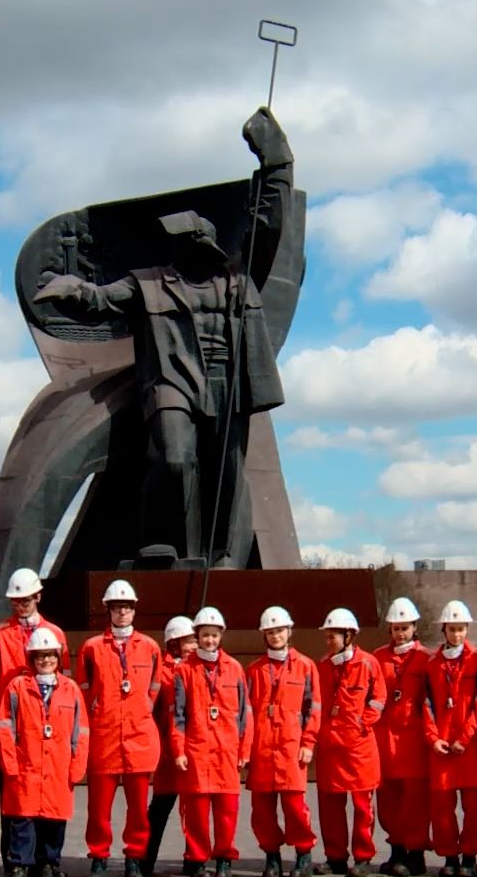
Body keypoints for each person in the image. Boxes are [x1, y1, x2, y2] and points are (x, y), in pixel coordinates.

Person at [32, 108, 293, 566]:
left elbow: (269, 223)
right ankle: (163, 545)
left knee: (225, 476)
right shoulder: (148, 282)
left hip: (227, 383)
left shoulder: (236, 280)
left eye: (181, 240)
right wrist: (68, 288)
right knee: (174, 459)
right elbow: (100, 299)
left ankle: (213, 556)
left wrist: (276, 163)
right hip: (173, 382)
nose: (172, 246)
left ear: (200, 243)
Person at [74, 579, 168, 877]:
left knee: (138, 809)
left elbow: (154, 687)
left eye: (127, 607)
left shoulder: (151, 648)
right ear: (109, 611)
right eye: (117, 607)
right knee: (98, 809)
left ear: (134, 610)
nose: (122, 612)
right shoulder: (92, 648)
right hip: (104, 738)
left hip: (139, 739)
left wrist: (139, 709)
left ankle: (133, 862)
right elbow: (84, 691)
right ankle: (99, 860)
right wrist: (101, 710)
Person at [0, 567, 70, 867]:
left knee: (48, 795)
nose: (21, 605)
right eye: (16, 601)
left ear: (38, 597)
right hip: (13, 723)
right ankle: (15, 863)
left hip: (45, 721)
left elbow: (64, 681)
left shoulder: (55, 634)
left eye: (26, 600)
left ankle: (45, 862)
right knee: (13, 796)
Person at [0, 627, 90, 877]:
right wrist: (10, 764)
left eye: (50, 656)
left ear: (58, 658)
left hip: (58, 766)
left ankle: (48, 865)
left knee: (54, 820)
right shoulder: (17, 687)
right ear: (31, 659)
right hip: (26, 767)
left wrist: (76, 765)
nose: (46, 661)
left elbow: (80, 731)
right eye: (40, 656)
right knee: (22, 821)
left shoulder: (70, 690)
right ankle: (18, 869)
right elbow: (5, 728)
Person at [169, 607, 252, 877]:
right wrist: (179, 750)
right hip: (197, 750)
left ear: (221, 636)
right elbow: (178, 715)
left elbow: (244, 714)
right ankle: (197, 861)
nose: (209, 641)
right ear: (197, 636)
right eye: (204, 635)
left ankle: (224, 860)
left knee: (227, 811)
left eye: (214, 635)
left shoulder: (235, 669)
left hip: (227, 751)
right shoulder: (184, 670)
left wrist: (244, 750)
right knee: (197, 812)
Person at [244, 605, 319, 877]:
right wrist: (247, 749)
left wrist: (308, 741)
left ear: (289, 631)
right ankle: (271, 857)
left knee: (295, 807)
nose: (276, 636)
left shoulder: (305, 666)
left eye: (279, 631)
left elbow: (313, 708)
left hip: (291, 747)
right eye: (270, 632)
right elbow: (247, 713)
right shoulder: (254, 670)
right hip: (262, 748)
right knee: (262, 811)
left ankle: (303, 855)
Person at [313, 608, 385, 877]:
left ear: (349, 635)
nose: (329, 641)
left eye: (333, 636)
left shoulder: (368, 664)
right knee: (330, 807)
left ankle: (363, 857)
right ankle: (335, 857)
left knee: (362, 806)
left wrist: (361, 724)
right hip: (331, 747)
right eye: (327, 636)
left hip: (359, 748)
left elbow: (379, 699)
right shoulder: (322, 666)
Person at [425, 600, 477, 877]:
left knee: (472, 808)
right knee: (442, 809)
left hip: (469, 749)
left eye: (462, 629)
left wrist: (466, 738)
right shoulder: (432, 665)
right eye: (452, 629)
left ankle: (470, 856)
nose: (457, 635)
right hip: (441, 748)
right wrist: (433, 738)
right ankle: (450, 856)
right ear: (444, 630)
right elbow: (424, 705)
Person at [374, 598, 433, 877]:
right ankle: (397, 850)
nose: (400, 633)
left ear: (414, 627)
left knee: (416, 802)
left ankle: (417, 853)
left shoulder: (427, 659)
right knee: (389, 801)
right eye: (396, 628)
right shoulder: (378, 658)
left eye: (405, 628)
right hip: (384, 740)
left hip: (414, 741)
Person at [141, 614, 197, 877]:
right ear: (174, 643)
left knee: (193, 808)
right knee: (160, 808)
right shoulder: (161, 670)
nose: (194, 646)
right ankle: (145, 858)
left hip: (193, 749)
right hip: (167, 750)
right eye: (188, 641)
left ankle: (194, 859)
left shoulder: (198, 667)